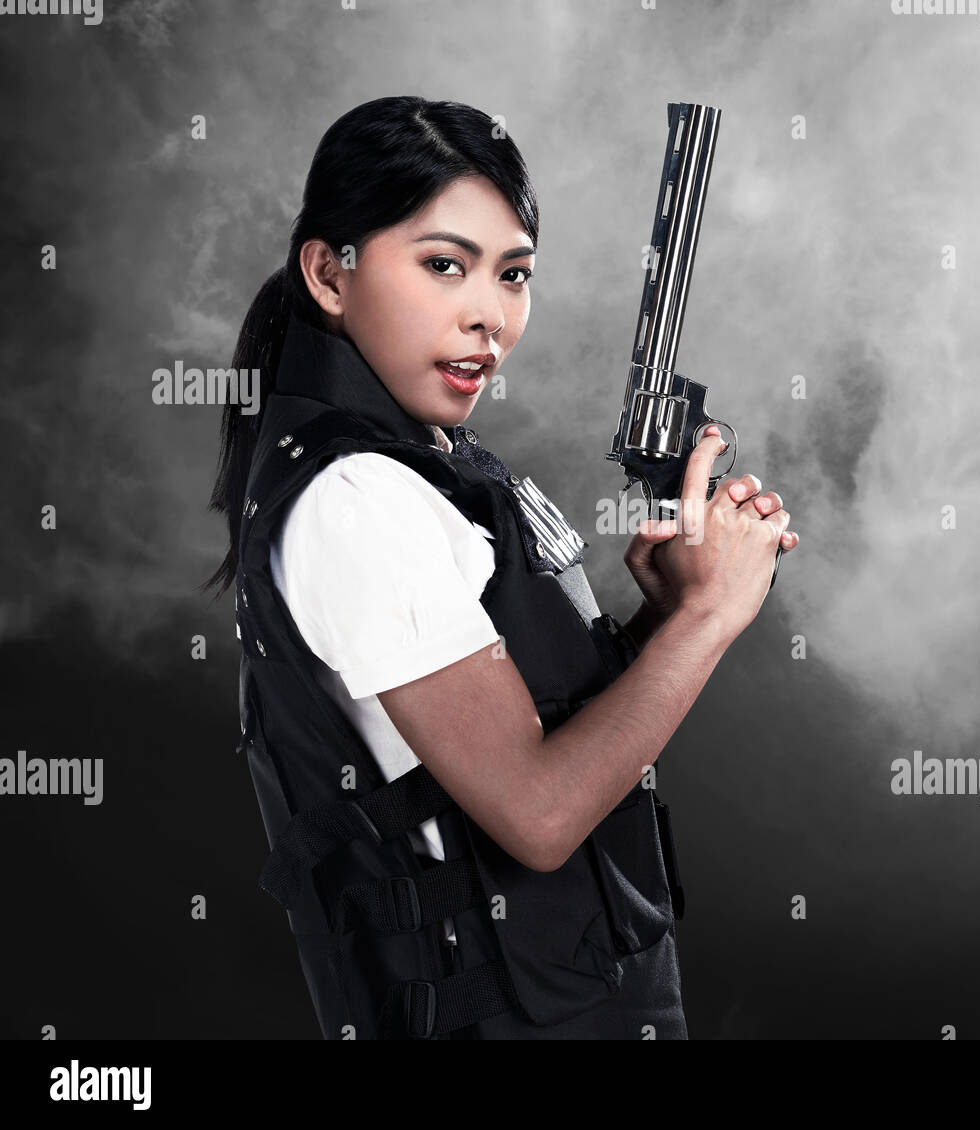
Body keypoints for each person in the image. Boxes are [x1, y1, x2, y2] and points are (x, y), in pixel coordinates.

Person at [204, 96, 799, 1040]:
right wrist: (705, 622)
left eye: (513, 275)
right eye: (444, 266)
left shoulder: (432, 464)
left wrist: (668, 615)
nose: (490, 316)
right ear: (329, 272)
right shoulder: (360, 498)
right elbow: (539, 814)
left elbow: (537, 732)